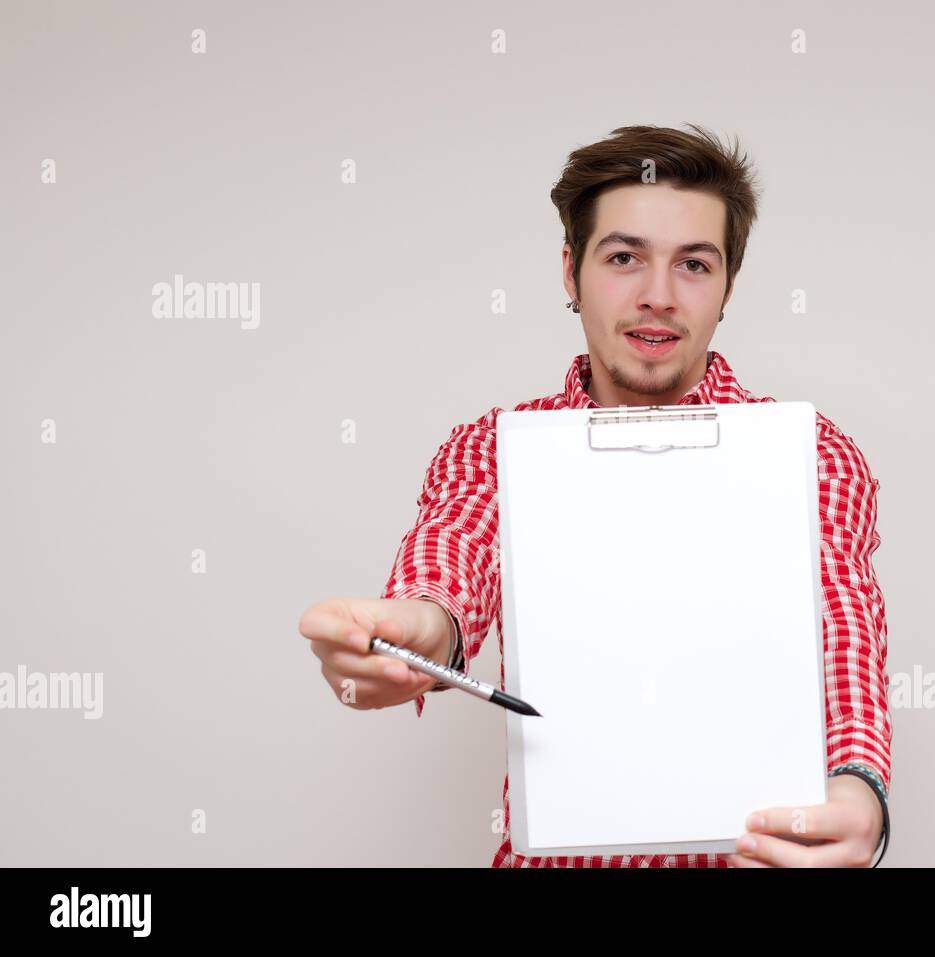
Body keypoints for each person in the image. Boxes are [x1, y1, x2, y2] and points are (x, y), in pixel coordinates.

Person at [298, 123, 892, 868]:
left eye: (695, 265)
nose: (658, 296)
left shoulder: (810, 454)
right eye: (623, 258)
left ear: (727, 288)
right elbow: (453, 558)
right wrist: (414, 628)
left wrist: (859, 793)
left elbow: (843, 639)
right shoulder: (494, 448)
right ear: (571, 272)